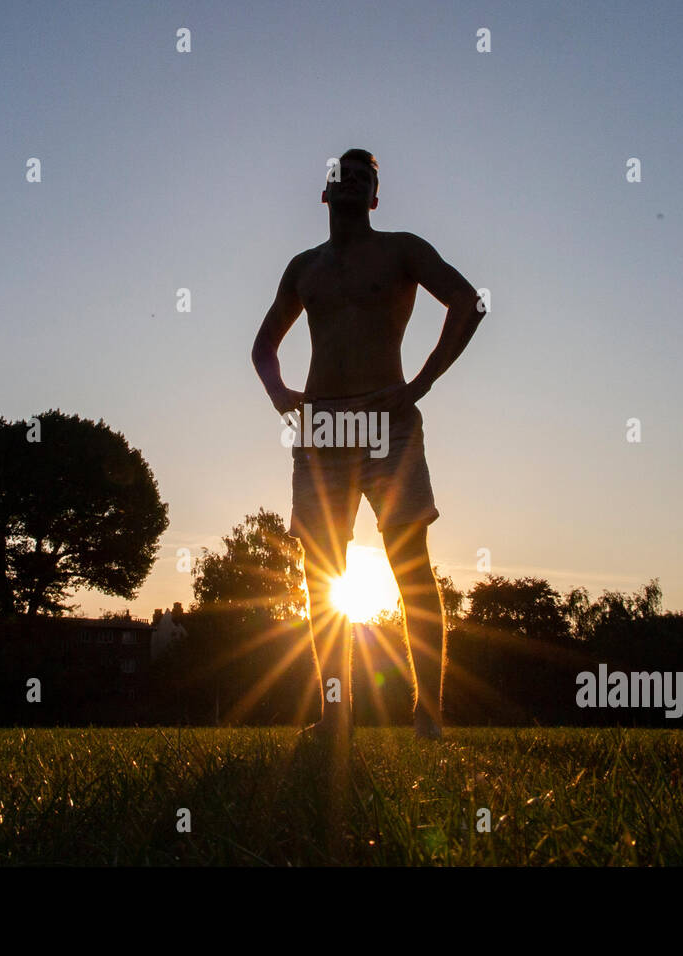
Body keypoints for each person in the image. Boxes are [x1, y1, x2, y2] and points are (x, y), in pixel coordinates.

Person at [251, 148, 486, 741]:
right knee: (320, 570)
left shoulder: (401, 249)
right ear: (325, 193)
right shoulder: (303, 267)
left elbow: (469, 301)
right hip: (323, 426)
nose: (352, 182)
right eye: (342, 176)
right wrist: (283, 396)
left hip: (389, 417)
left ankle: (428, 716)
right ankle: (336, 716)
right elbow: (262, 347)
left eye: (364, 177)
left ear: (375, 197)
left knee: (410, 564)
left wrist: (421, 383)